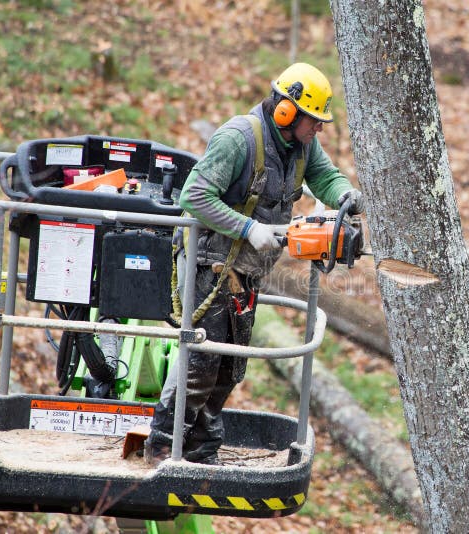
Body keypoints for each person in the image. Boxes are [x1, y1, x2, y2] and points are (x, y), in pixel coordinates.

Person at [144, 62, 364, 466]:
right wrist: (248, 228)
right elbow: (194, 196)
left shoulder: (302, 147)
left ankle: (202, 449)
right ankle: (162, 445)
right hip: (209, 263)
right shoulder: (238, 139)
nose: (318, 129)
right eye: (313, 121)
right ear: (286, 111)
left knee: (230, 367)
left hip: (245, 273)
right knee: (202, 361)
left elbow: (326, 178)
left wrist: (346, 194)